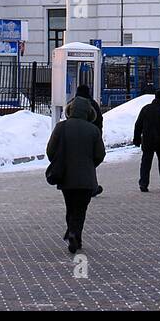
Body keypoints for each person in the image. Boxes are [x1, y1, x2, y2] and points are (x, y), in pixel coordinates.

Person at [46, 94, 106, 253]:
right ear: (89, 112)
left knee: (70, 207)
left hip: (66, 176)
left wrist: (60, 161)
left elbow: (50, 150)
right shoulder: (93, 130)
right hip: (86, 178)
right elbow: (100, 154)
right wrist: (90, 165)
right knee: (80, 209)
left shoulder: (61, 127)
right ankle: (74, 234)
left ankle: (73, 233)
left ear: (70, 110)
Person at [132, 88, 160, 191]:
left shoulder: (146, 109)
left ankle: (143, 183)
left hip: (147, 140)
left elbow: (138, 125)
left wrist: (137, 139)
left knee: (146, 162)